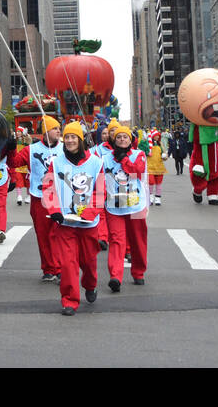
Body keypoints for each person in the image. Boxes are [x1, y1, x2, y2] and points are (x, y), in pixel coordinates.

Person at [42, 121, 105, 315]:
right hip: (65, 223)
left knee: (88, 262)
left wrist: (87, 214)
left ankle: (90, 284)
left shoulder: (96, 162)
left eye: (73, 137)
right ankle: (69, 300)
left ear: (80, 140)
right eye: (67, 137)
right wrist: (54, 211)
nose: (69, 140)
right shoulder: (57, 162)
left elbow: (100, 192)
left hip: (88, 224)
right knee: (68, 263)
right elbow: (48, 187)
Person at [10, 115, 63, 281]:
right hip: (39, 197)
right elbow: (15, 162)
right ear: (46, 131)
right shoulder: (31, 150)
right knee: (43, 234)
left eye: (59, 129)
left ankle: (60, 268)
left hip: (60, 198)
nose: (58, 132)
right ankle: (48, 269)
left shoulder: (64, 148)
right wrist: (10, 147)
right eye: (55, 129)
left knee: (59, 234)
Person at [103, 122, 149, 290]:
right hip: (114, 206)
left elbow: (136, 171)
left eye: (125, 137)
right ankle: (115, 276)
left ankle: (138, 272)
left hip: (135, 205)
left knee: (138, 240)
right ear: (114, 140)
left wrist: (124, 159)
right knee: (116, 240)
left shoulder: (139, 154)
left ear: (130, 140)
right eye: (119, 137)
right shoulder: (105, 157)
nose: (122, 139)